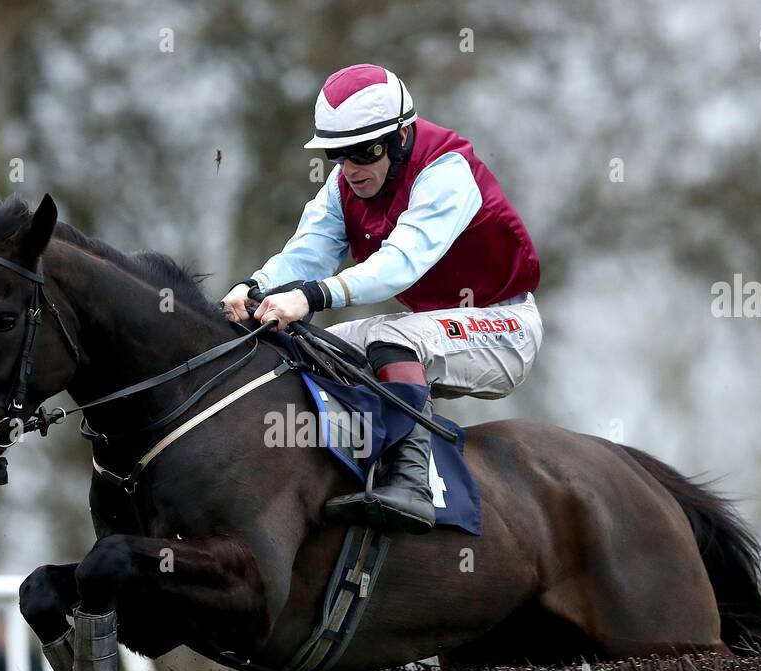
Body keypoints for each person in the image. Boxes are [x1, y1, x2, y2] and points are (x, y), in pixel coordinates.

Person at [222, 63, 542, 534]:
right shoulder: (342, 186)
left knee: (393, 341)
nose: (351, 168)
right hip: (436, 325)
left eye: (365, 152)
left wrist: (312, 295)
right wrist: (254, 286)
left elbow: (399, 264)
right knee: (314, 348)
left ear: (402, 137)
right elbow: (308, 253)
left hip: (506, 328)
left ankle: (412, 486)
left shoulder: (447, 172)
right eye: (337, 154)